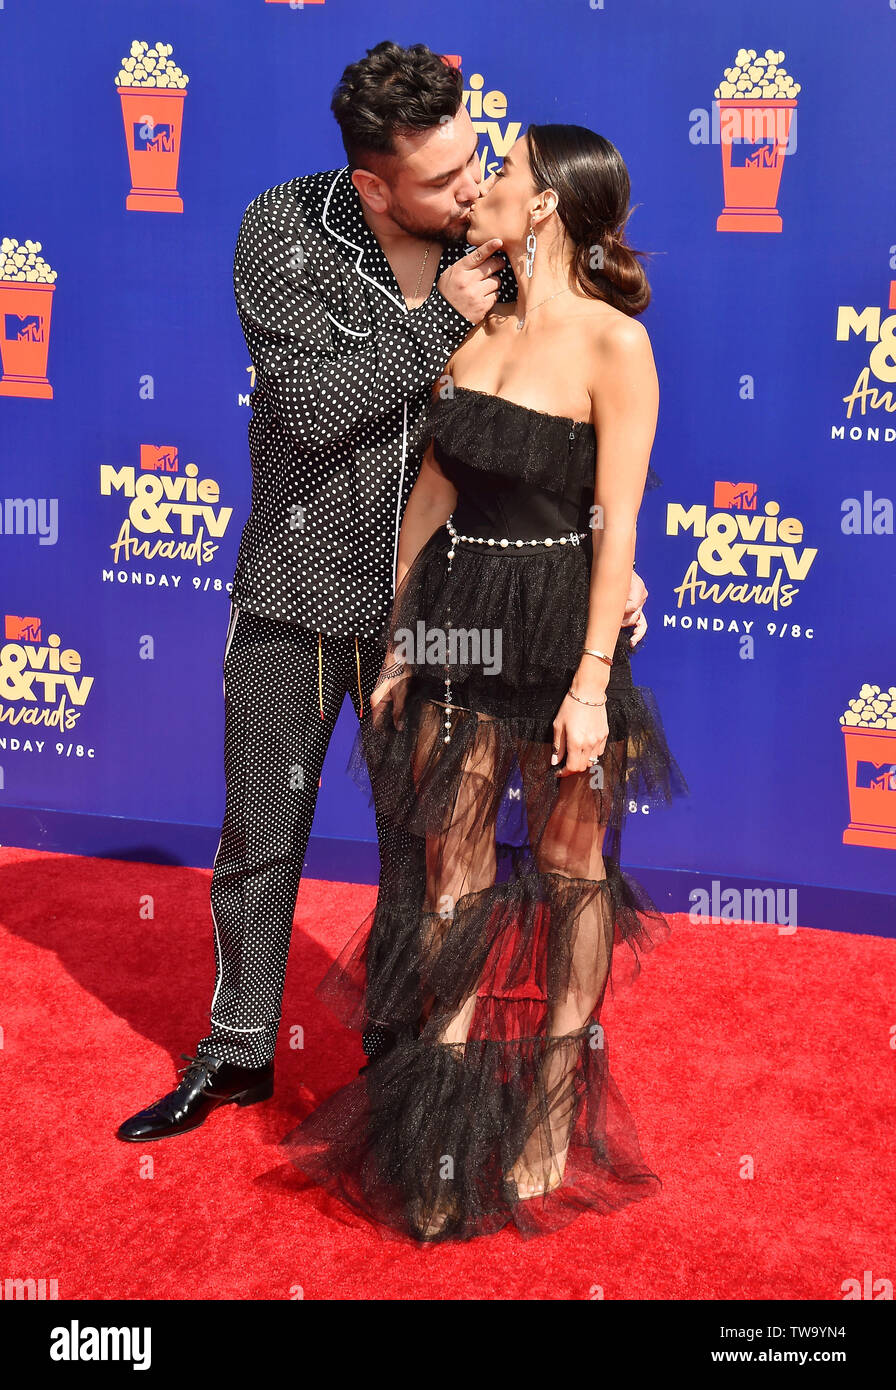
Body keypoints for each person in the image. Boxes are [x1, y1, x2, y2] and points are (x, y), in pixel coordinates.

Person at [116, 44, 651, 1145]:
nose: (467, 190)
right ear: (372, 185)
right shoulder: (283, 234)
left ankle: (406, 1064)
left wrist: (599, 548)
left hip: (446, 609)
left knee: (428, 856)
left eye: (474, 164)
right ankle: (236, 1054)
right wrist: (433, 323)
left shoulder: (505, 248)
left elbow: (567, 417)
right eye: (442, 179)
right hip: (296, 587)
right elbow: (309, 407)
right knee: (260, 837)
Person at [280, 122, 689, 1243]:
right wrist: (403, 634)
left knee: (567, 871)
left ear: (546, 202)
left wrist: (593, 683)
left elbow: (615, 527)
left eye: (498, 173)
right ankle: (444, 1127)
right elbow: (427, 501)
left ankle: (553, 1102)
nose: (479, 190)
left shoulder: (615, 346)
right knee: (451, 874)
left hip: (564, 625)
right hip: (457, 621)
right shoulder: (470, 330)